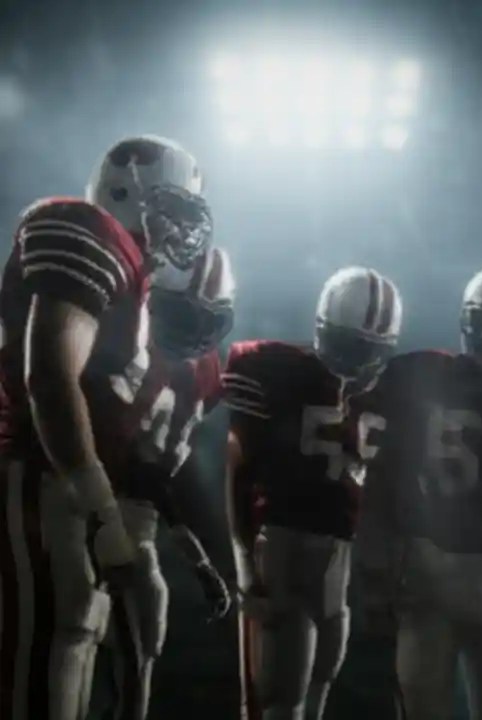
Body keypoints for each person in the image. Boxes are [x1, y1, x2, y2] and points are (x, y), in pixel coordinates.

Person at [0, 134, 208, 720]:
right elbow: (49, 376)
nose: (185, 229)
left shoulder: (132, 272)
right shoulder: (90, 230)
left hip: (67, 480)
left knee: (75, 636)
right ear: (129, 192)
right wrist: (98, 505)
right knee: (51, 647)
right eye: (175, 207)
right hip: (42, 470)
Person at [354, 264, 482, 720]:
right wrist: (375, 572)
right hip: (432, 569)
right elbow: (378, 480)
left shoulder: (418, 372)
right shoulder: (418, 376)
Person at [223, 267, 401, 720]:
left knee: (318, 682)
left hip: (338, 567)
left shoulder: (385, 395)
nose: (355, 361)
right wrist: (245, 570)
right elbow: (239, 469)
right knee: (280, 695)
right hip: (282, 551)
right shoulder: (275, 368)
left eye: (368, 350)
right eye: (348, 344)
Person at [109, 246, 236, 719]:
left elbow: (159, 472)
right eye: (181, 314)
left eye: (204, 319)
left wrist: (199, 559)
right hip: (79, 496)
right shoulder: (118, 332)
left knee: (143, 636)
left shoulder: (206, 372)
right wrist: (199, 560)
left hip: (137, 513)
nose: (191, 330)